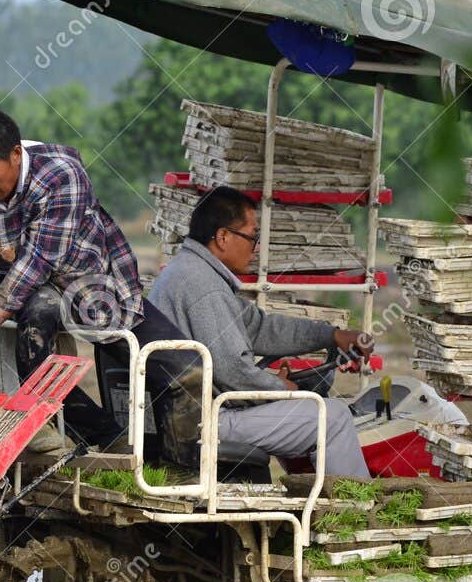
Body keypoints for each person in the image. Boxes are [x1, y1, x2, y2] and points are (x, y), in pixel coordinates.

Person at [0, 108, 188, 449]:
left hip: (92, 287)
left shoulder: (61, 175)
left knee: (183, 370)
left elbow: (39, 259)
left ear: (15, 154)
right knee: (39, 313)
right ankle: (87, 431)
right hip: (29, 292)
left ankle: (181, 467)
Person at [148, 186, 373, 478]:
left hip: (191, 412)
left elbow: (260, 328)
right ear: (223, 237)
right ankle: (352, 514)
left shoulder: (192, 272)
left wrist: (330, 335)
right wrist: (281, 389)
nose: (255, 248)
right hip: (203, 422)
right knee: (333, 417)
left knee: (312, 410)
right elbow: (231, 370)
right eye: (252, 237)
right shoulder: (203, 287)